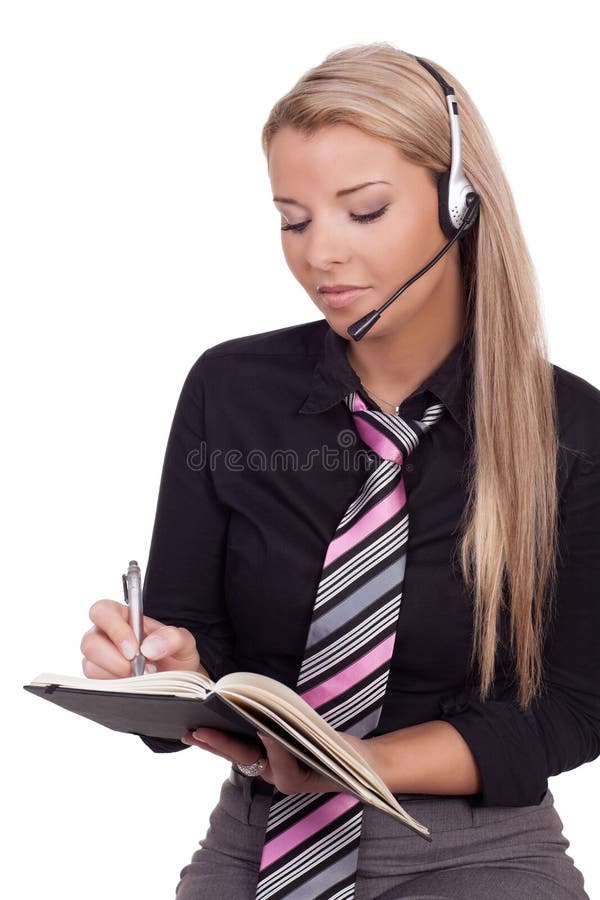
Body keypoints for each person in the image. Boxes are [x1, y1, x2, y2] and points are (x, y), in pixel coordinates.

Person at [79, 43, 600, 899]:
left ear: (461, 206)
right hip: (262, 837)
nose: (319, 254)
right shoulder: (230, 391)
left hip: (473, 848)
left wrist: (360, 763)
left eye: (362, 212)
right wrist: (161, 669)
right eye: (293, 218)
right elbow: (187, 675)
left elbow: (574, 711)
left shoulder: (569, 429)